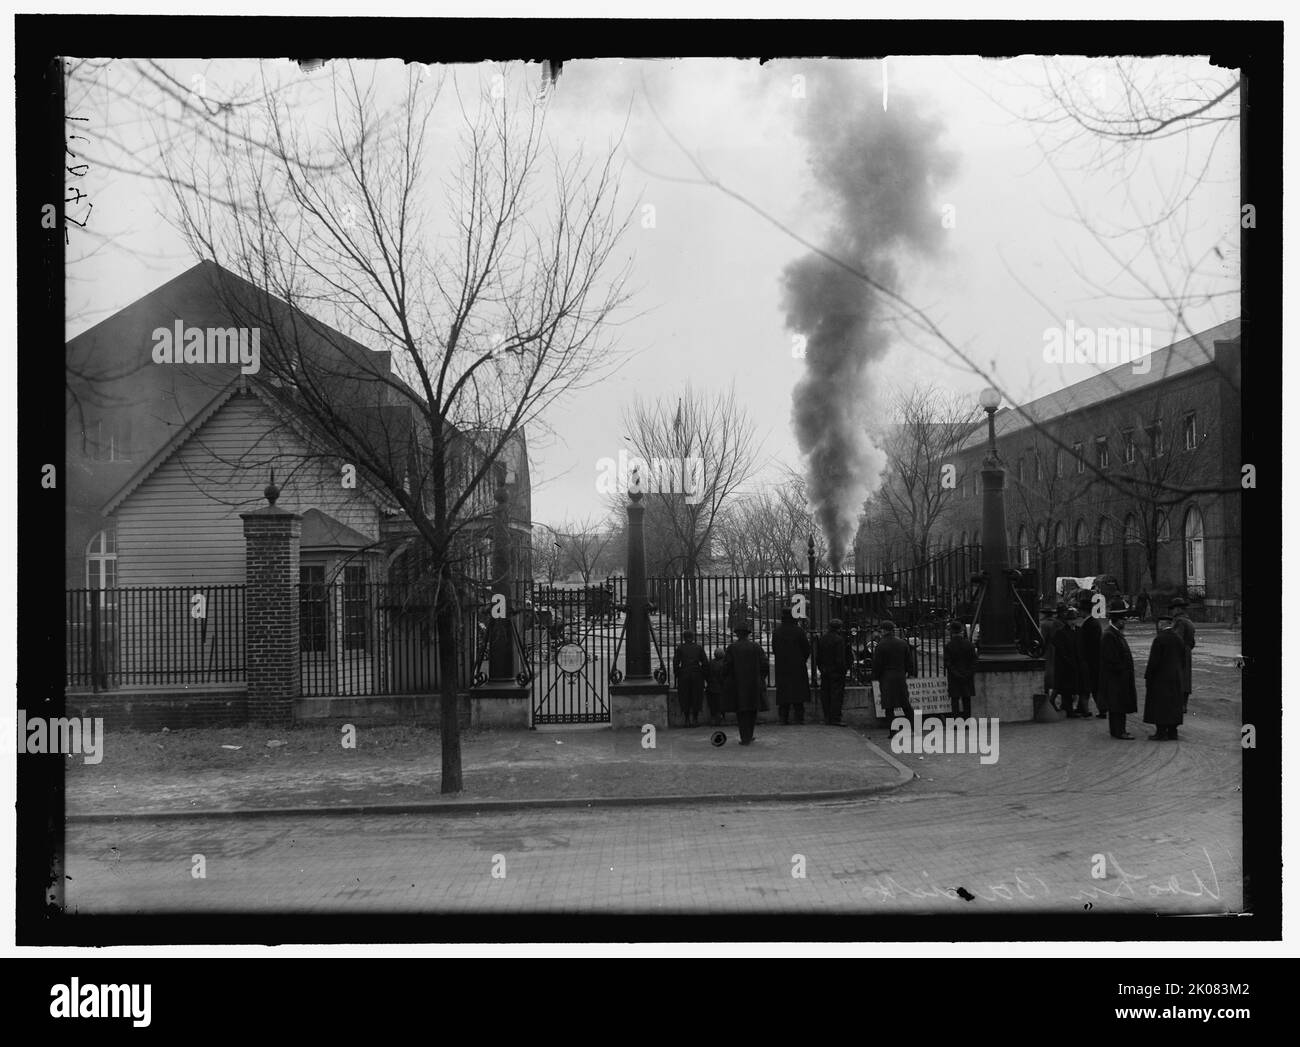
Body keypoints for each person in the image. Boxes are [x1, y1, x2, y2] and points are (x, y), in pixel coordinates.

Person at [722, 621, 769, 746]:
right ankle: (749, 734)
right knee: (752, 710)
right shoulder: (756, 647)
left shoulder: (732, 648)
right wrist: (761, 678)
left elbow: (726, 667)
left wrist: (728, 680)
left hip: (738, 684)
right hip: (754, 683)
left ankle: (745, 737)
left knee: (741, 711)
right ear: (748, 634)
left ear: (737, 634)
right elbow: (765, 664)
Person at [1097, 601, 1138, 739]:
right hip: (1116, 678)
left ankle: (1119, 730)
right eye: (1122, 620)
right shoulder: (1110, 635)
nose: (1124, 623)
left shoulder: (1114, 633)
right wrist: (1122, 670)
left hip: (1118, 678)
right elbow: (1111, 659)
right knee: (1117, 706)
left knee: (1118, 706)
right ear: (1117, 621)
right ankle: (1119, 731)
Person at [1143, 615, 1186, 740]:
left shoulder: (1159, 639)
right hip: (1176, 677)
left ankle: (1161, 732)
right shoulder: (1178, 638)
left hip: (1160, 678)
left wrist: (1148, 676)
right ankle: (1173, 731)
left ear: (1161, 624)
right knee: (1174, 704)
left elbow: (1153, 661)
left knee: (1160, 704)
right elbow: (1183, 659)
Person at [771, 606, 812, 725]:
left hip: (782, 665)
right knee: (798, 693)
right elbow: (806, 649)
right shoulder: (799, 631)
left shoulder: (777, 631)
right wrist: (801, 660)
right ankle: (799, 718)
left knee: (784, 693)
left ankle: (783, 718)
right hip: (797, 665)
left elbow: (775, 649)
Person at [873, 620, 916, 731]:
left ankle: (893, 731)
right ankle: (914, 727)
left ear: (883, 630)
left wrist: (875, 677)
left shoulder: (881, 645)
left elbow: (877, 664)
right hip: (900, 675)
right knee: (905, 703)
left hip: (886, 677)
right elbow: (909, 661)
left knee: (889, 705)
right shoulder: (902, 643)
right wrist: (910, 673)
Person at [1055, 608, 1090, 717]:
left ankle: (1082, 708)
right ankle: (1068, 710)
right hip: (1067, 666)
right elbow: (1060, 650)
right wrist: (1068, 661)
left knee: (1080, 688)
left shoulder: (1080, 631)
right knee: (1067, 690)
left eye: (1074, 619)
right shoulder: (1061, 633)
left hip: (1079, 664)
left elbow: (1084, 647)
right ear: (1066, 621)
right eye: (1070, 619)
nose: (1072, 621)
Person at [673, 629, 709, 727]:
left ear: (684, 638)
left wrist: (678, 674)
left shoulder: (680, 648)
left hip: (684, 674)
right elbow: (705, 663)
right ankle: (695, 719)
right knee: (696, 696)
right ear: (693, 637)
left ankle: (687, 718)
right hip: (696, 674)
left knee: (685, 696)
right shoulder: (698, 648)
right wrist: (703, 673)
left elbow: (675, 663)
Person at [943, 619, 977, 717]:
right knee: (966, 700)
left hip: (954, 677)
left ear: (951, 631)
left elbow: (948, 663)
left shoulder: (949, 646)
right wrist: (968, 673)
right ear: (961, 630)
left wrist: (956, 674)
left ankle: (956, 723)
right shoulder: (969, 645)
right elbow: (974, 661)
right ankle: (967, 721)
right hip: (967, 676)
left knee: (955, 701)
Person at [817, 618, 848, 726]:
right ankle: (835, 718)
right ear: (839, 628)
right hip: (836, 672)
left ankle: (827, 717)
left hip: (825, 671)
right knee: (836, 696)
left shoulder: (822, 638)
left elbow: (818, 656)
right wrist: (843, 670)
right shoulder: (838, 640)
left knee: (825, 695)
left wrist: (821, 668)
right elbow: (840, 659)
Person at [1169, 597, 1197, 715]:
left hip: (1179, 652)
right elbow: (1193, 641)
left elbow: (1176, 638)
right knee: (1186, 678)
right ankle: (1184, 705)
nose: (1172, 611)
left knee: (1178, 677)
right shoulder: (1189, 621)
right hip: (1187, 651)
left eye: (1173, 609)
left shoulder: (1179, 621)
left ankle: (1179, 705)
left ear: (1179, 609)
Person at [1081, 604, 1104, 719]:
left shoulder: (1088, 624)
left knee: (1089, 686)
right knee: (1094, 686)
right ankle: (1101, 710)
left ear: (1084, 611)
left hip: (1090, 660)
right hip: (1095, 660)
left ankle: (1087, 709)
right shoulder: (1095, 623)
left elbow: (1087, 644)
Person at [1039, 605, 1061, 704]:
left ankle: (1047, 699)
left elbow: (1042, 640)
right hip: (1057, 651)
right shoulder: (1059, 623)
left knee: (1047, 677)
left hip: (1047, 652)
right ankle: (1052, 699)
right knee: (1056, 677)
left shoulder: (1043, 624)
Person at [705, 647, 727, 726]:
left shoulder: (710, 663)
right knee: (722, 704)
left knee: (712, 705)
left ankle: (713, 718)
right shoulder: (724, 663)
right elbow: (724, 676)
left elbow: (706, 674)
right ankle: (722, 718)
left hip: (711, 687)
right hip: (721, 687)